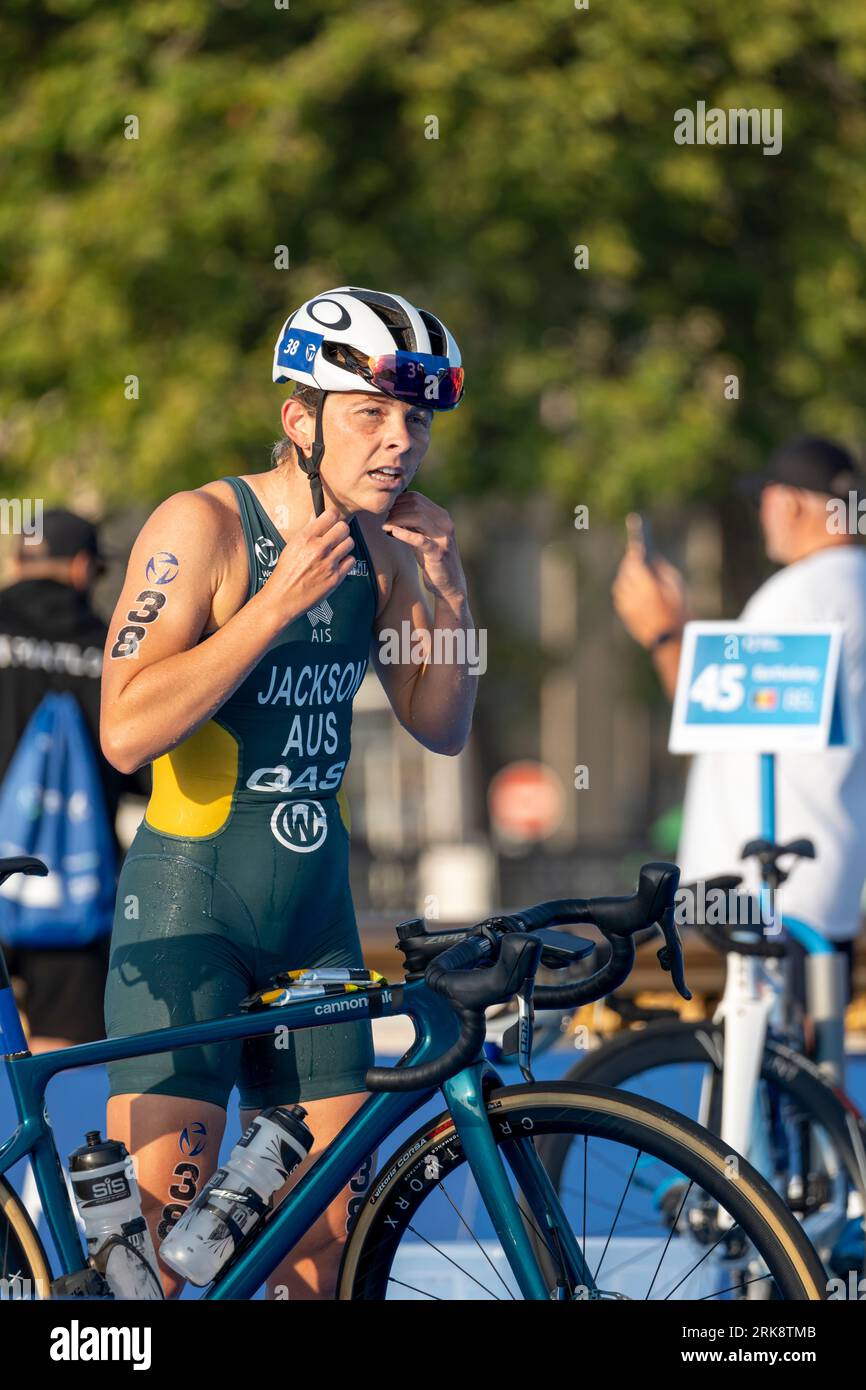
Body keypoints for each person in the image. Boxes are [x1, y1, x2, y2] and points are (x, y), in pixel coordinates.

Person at [100, 286, 477, 1300]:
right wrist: (270, 607)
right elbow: (126, 727)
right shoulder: (203, 524)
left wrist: (443, 581)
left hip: (315, 923)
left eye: (415, 420)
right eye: (370, 414)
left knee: (318, 1247)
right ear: (297, 420)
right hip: (188, 914)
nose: (398, 442)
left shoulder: (383, 547)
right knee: (154, 1258)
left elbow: (438, 727)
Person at [612, 436, 866, 998]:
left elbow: (713, 707)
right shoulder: (854, 585)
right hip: (825, 877)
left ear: (789, 503)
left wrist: (661, 628)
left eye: (765, 501)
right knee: (803, 1069)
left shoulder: (799, 594)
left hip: (763, 889)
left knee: (757, 1065)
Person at [0, 511, 137, 1052]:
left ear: (18, 562)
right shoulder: (110, 648)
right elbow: (142, 768)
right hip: (71, 880)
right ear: (83, 568)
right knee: (65, 1059)